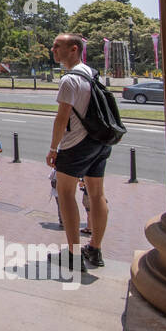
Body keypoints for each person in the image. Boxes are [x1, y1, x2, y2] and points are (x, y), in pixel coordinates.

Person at [46, 33, 111, 270]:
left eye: (57, 46)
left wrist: (54, 149)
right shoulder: (92, 73)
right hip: (99, 142)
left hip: (76, 144)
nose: (52, 49)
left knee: (65, 193)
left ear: (73, 49)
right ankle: (95, 249)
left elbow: (62, 118)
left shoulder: (69, 80)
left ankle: (73, 255)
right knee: (97, 194)